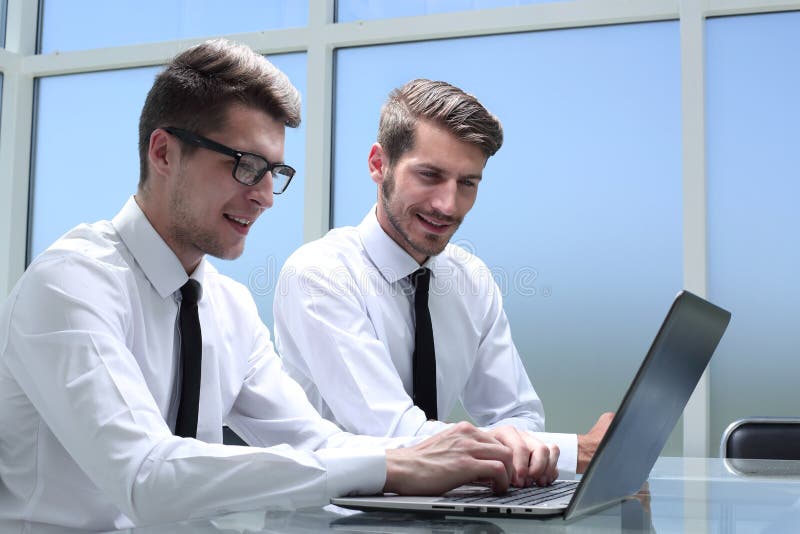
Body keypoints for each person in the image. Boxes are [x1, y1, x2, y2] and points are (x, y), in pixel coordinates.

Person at [0, 40, 559, 530]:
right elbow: (147, 477)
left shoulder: (226, 304)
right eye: (245, 165)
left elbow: (313, 442)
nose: (265, 196)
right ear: (164, 151)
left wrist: (458, 457)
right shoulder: (70, 285)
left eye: (275, 173)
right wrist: (397, 464)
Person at [273, 79, 613, 478]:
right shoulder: (319, 275)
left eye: (467, 183)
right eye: (430, 176)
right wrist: (578, 452)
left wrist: (527, 447)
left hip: (447, 507)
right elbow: (401, 436)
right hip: (336, 515)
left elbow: (517, 415)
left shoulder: (471, 279)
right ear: (378, 165)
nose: (448, 205)